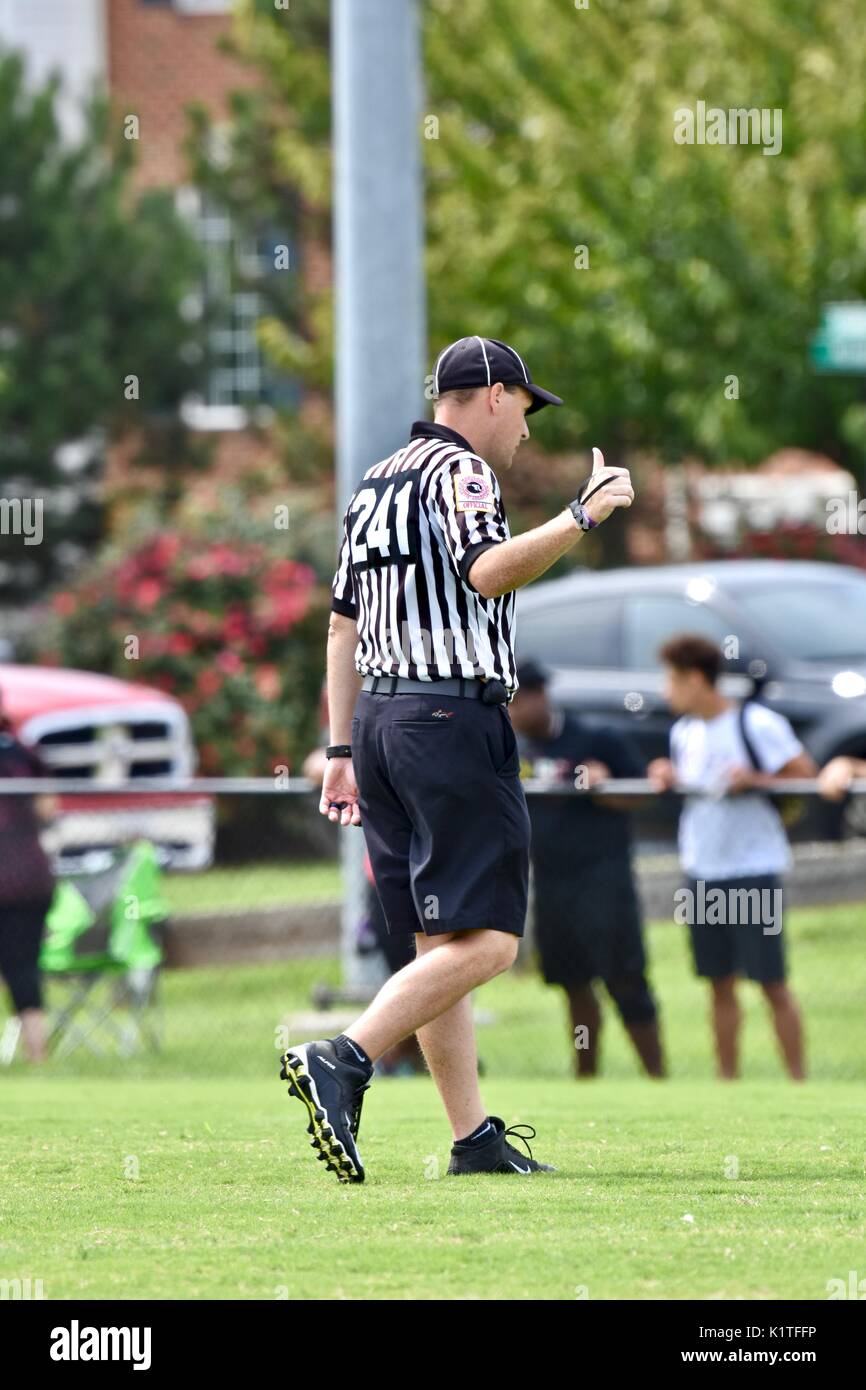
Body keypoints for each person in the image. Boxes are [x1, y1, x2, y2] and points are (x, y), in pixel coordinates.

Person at [279, 334, 634, 1182]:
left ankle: (472, 1139)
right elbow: (485, 572)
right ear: (495, 394)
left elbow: (341, 626)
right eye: (525, 410)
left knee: (440, 940)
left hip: (381, 726)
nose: (526, 432)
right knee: (495, 943)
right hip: (449, 719)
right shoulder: (460, 473)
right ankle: (346, 1055)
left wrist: (339, 747)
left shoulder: (374, 481)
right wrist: (580, 516)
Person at [647, 635, 816, 1082]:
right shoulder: (683, 731)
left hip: (752, 869)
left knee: (770, 981)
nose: (666, 692)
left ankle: (799, 1081)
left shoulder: (757, 723)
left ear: (696, 679)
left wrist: (756, 779)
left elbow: (805, 776)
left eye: (672, 680)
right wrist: (668, 776)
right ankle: (728, 1083)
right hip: (702, 869)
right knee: (718, 981)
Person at [510, 659, 664, 1078]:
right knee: (573, 981)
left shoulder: (597, 738)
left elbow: (643, 794)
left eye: (515, 701)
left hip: (604, 880)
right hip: (551, 881)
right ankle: (587, 1077)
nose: (510, 711)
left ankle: (658, 1077)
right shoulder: (514, 748)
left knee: (625, 977)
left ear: (538, 696)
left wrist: (605, 786)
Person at [0, 690, 56, 1063]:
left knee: (20, 968)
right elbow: (48, 809)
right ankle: (38, 1056)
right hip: (31, 878)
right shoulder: (23, 753)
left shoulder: (23, 754)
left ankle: (37, 1056)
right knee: (24, 969)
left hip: (16, 881)